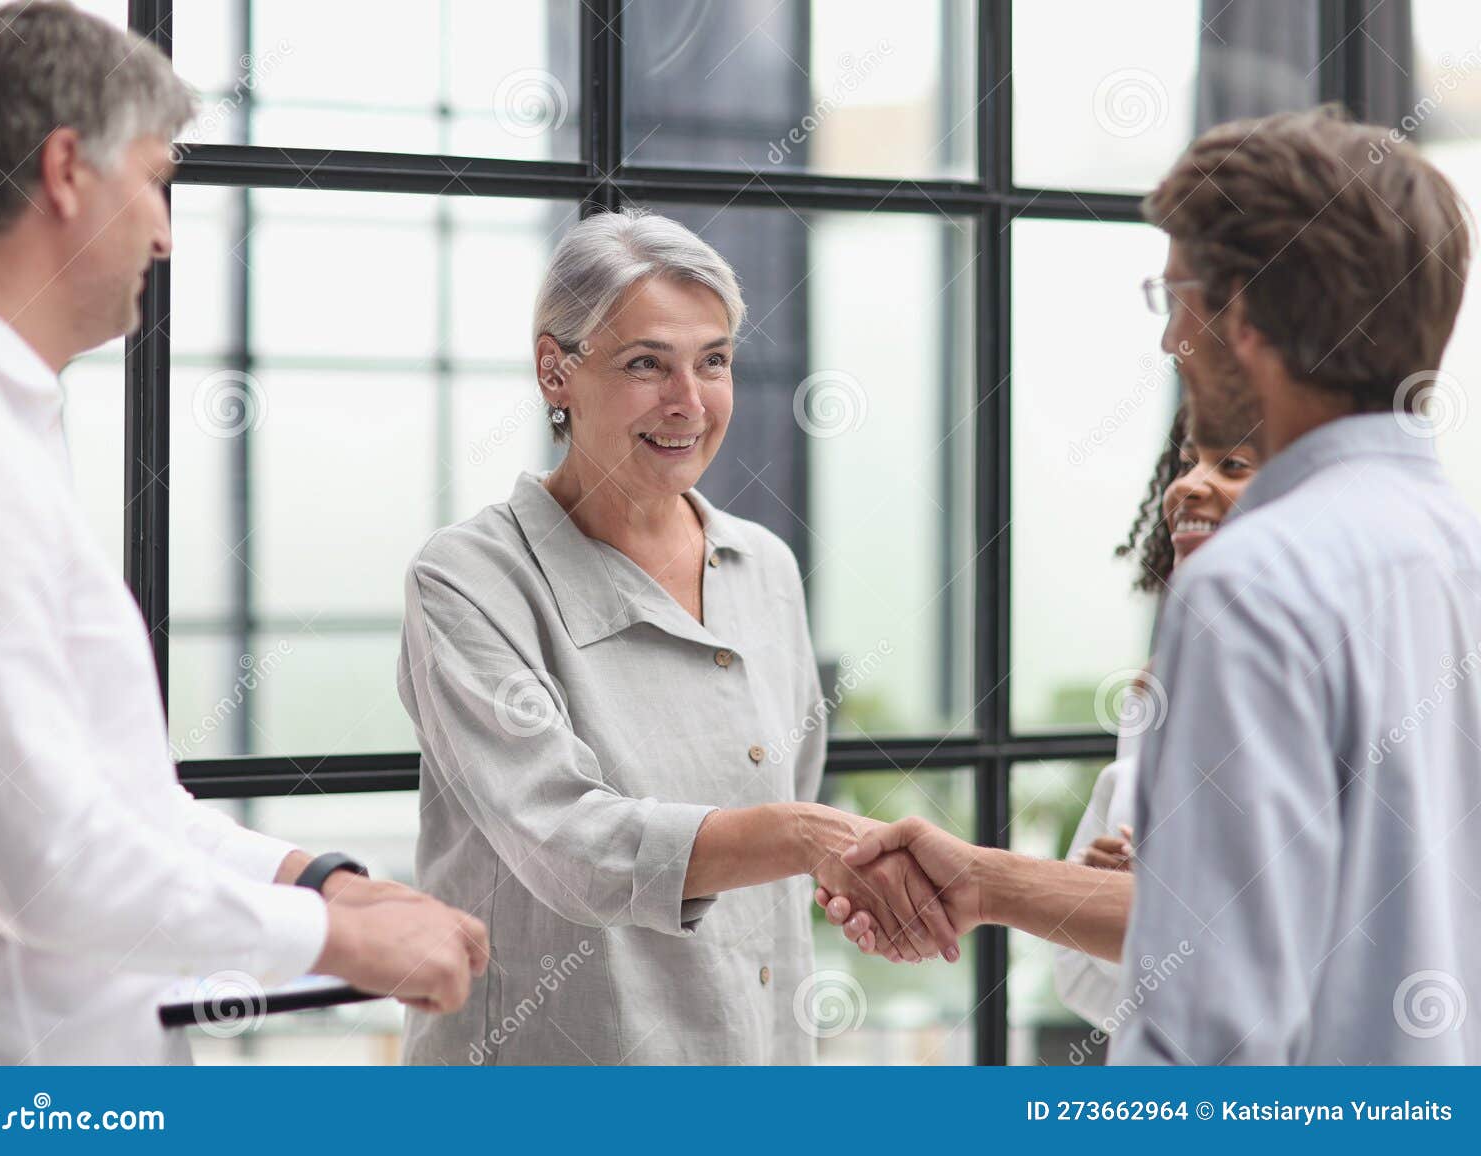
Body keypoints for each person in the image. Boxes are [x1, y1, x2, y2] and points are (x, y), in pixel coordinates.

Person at [0, 2, 486, 1065]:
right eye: (156, 180)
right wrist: (343, 942)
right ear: (66, 171)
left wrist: (317, 881)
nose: (164, 233)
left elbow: (113, 805)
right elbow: (48, 860)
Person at [821, 105, 1480, 1065]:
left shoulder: (1256, 581)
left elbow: (1210, 1024)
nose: (1172, 338)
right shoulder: (1450, 549)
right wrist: (1002, 881)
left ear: (1242, 317)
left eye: (1176, 298)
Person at [395, 207, 954, 1065]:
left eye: (714, 361)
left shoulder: (763, 566)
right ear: (554, 371)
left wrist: (829, 856)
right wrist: (807, 837)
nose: (689, 403)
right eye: (645, 364)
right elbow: (569, 846)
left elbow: (781, 818)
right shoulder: (468, 580)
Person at [1051, 403, 1259, 1028]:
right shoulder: (1156, 691)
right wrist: (1115, 901)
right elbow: (1080, 980)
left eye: (1232, 464)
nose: (1188, 485)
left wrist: (1156, 901)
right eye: (1186, 461)